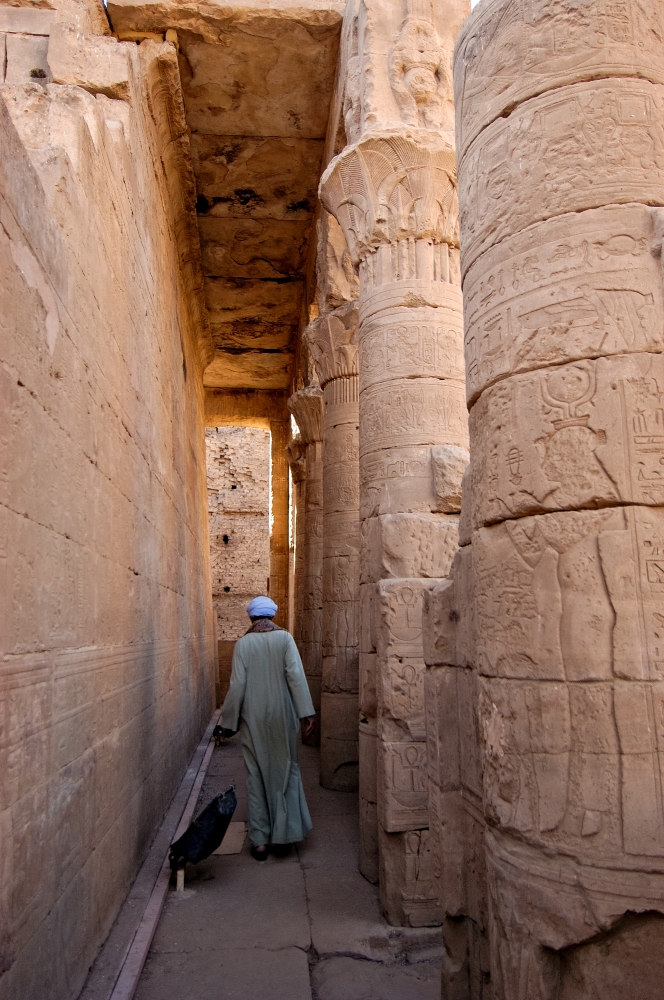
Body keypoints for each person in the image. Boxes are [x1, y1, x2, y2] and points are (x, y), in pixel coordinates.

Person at [221, 596, 316, 861]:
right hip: (282, 716)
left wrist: (227, 722)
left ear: (251, 617)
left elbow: (237, 685)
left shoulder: (243, 644)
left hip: (252, 718)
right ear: (272, 615)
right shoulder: (285, 639)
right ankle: (282, 836)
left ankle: (260, 841)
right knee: (285, 771)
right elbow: (295, 676)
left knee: (256, 776)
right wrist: (306, 712)